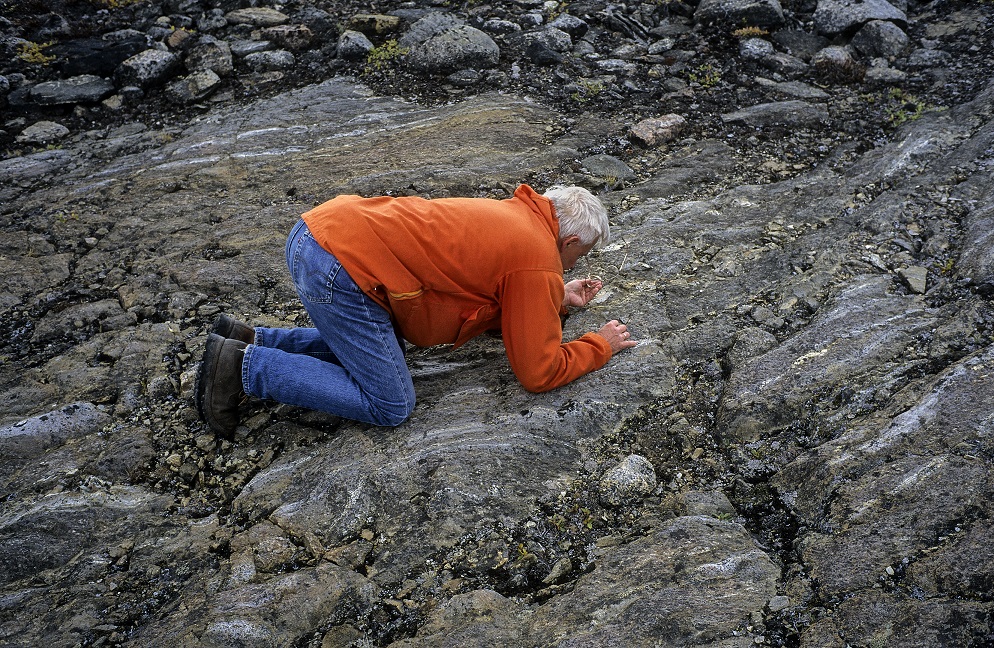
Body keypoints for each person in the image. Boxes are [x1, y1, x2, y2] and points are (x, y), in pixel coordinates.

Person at [196, 184, 637, 438]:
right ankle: (244, 367)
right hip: (340, 266)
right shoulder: (537, 259)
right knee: (391, 402)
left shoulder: (517, 219)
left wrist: (553, 298)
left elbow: (486, 289)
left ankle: (252, 339)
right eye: (580, 256)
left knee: (385, 354)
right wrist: (599, 345)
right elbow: (538, 372)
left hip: (319, 232)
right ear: (572, 241)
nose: (574, 265)